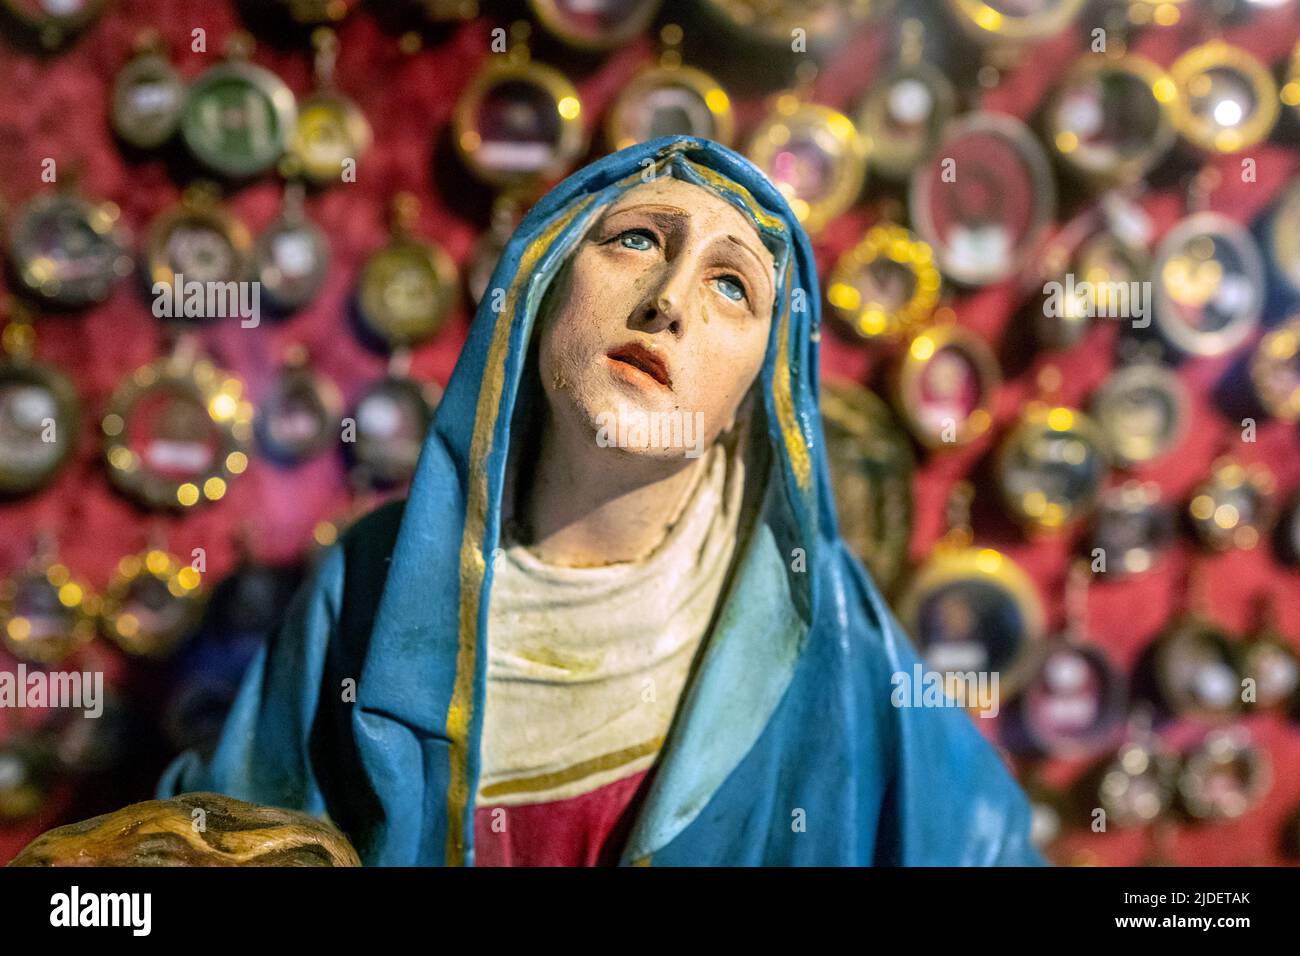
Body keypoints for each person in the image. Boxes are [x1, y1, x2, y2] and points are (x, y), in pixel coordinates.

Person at [160, 136, 1044, 867]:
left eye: (731, 286)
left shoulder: (828, 639)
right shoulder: (373, 585)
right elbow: (233, 834)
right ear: (540, 292)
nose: (667, 302)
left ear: (756, 400)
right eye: (636, 241)